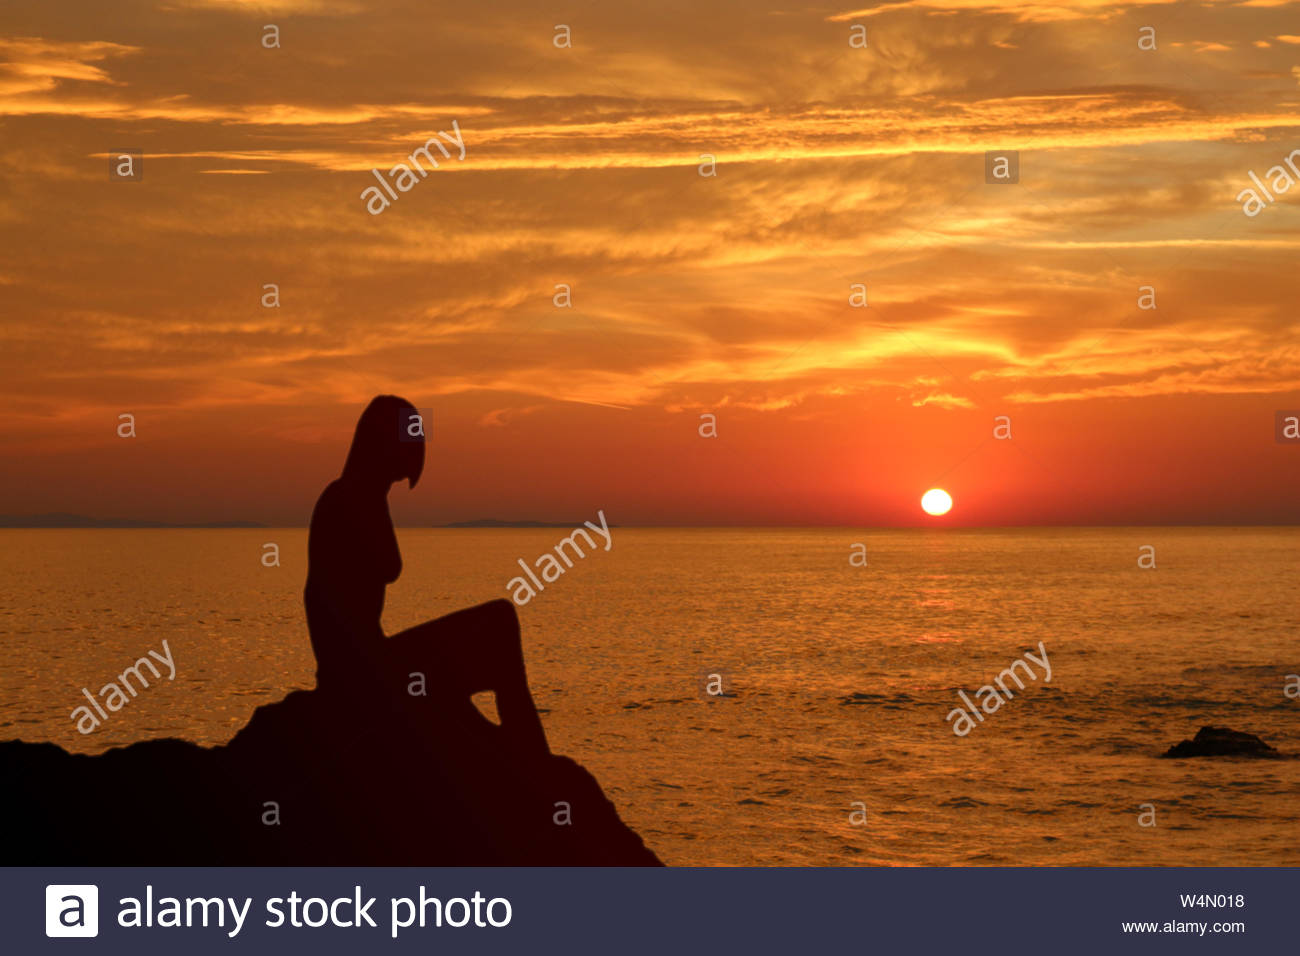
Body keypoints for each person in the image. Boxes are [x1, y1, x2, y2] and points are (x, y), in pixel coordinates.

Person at [303, 395, 549, 755]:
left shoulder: (357, 496)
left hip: (365, 669)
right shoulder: (349, 499)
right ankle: (533, 759)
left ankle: (522, 754)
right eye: (406, 446)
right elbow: (383, 567)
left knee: (495, 638)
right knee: (500, 620)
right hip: (361, 678)